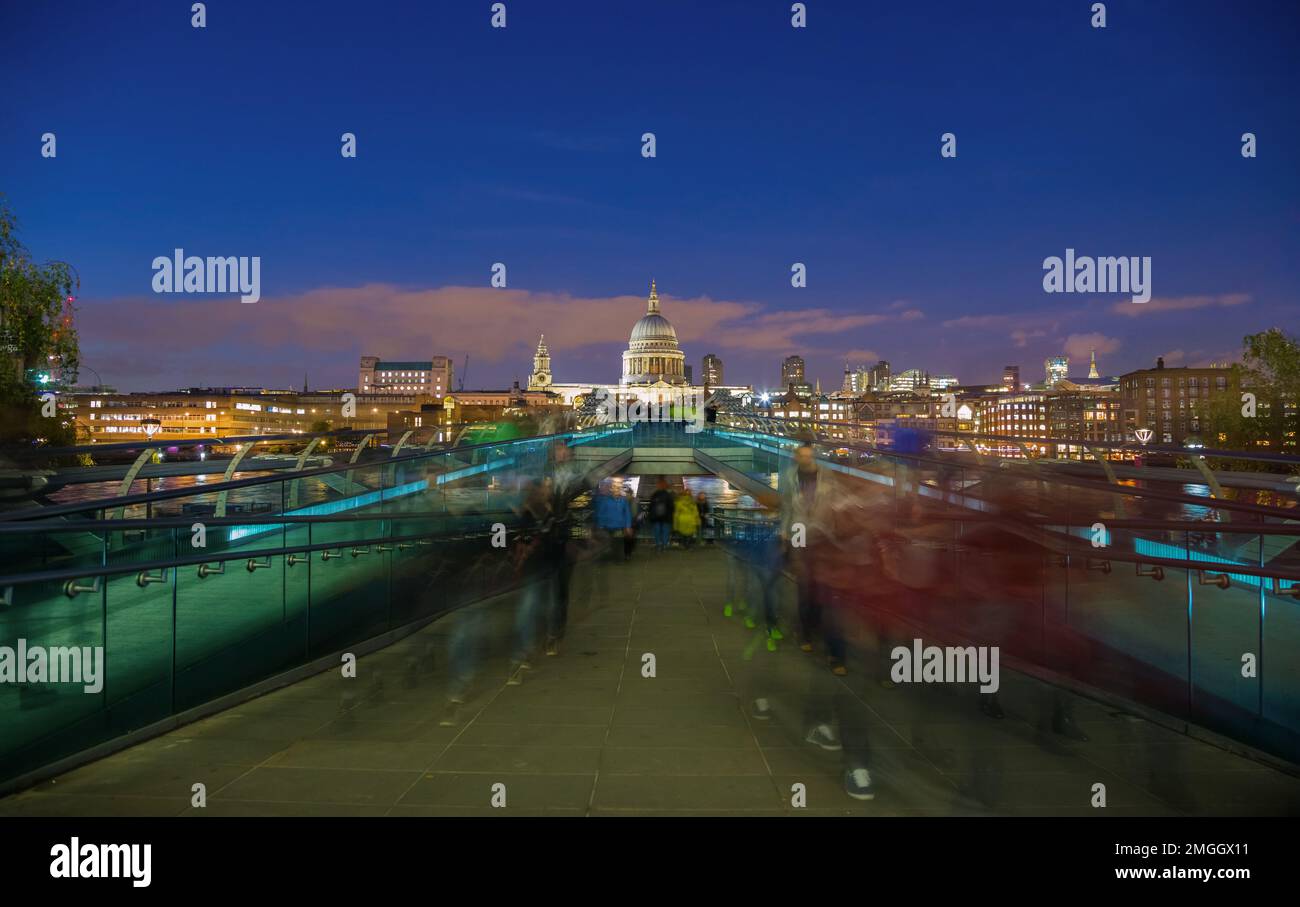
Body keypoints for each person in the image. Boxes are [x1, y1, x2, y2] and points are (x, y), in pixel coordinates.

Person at [648, 478, 674, 551]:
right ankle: (664, 545)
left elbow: (651, 506)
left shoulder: (654, 494)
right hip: (666, 517)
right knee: (665, 531)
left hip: (656, 517)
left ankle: (658, 544)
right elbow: (672, 507)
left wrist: (650, 515)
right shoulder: (669, 495)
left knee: (657, 531)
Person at [623, 487, 640, 559]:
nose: (626, 495)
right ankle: (628, 553)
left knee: (629, 538)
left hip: (632, 522)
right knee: (628, 538)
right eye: (626, 494)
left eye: (627, 494)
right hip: (630, 522)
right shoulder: (635, 501)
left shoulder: (626, 501)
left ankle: (628, 553)